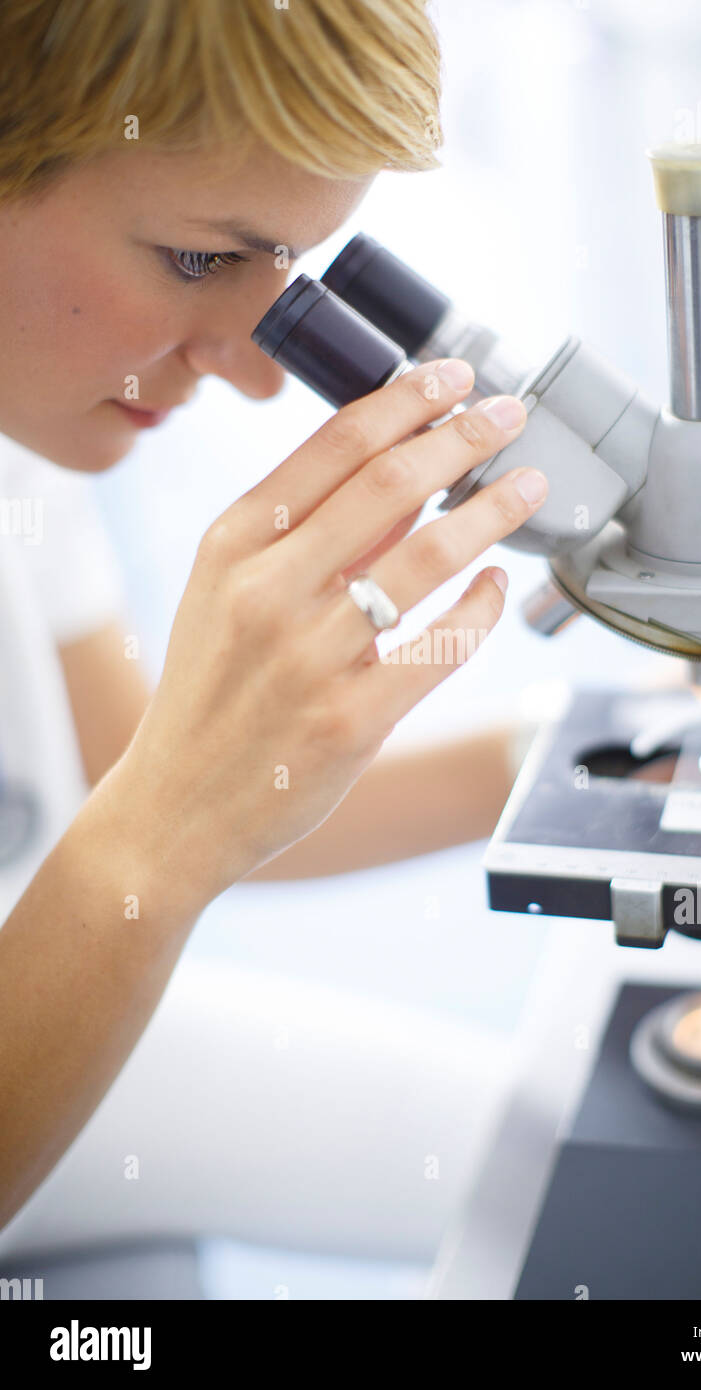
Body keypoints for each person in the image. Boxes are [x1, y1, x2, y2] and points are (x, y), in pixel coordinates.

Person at [0, 0, 550, 1262]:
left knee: (553, 1174)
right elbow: (157, 819)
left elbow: (149, 777)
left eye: (285, 275)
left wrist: (566, 768)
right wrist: (166, 832)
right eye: (200, 260)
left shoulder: (27, 425)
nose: (255, 373)